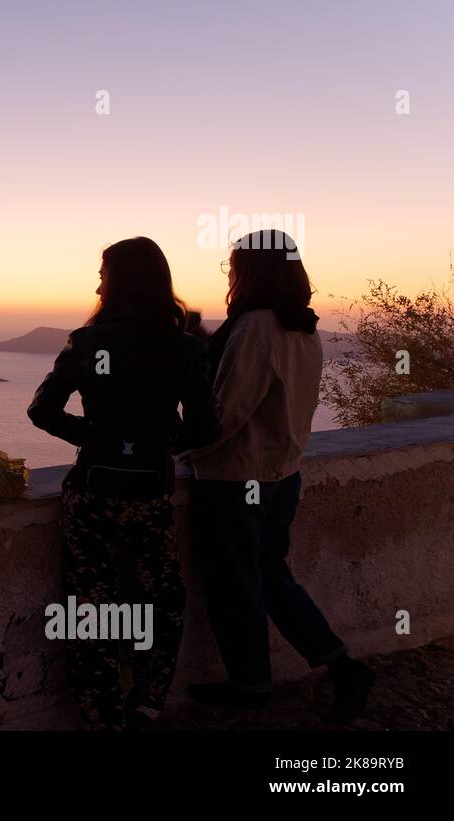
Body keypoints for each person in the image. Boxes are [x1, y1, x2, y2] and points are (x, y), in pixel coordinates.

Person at [29, 237, 219, 730]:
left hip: (92, 489)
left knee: (90, 608)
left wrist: (94, 436)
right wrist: (161, 440)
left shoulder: (87, 343)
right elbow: (205, 429)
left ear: (117, 282)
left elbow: (42, 410)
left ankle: (102, 717)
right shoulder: (184, 348)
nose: (97, 283)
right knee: (164, 600)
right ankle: (148, 700)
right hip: (150, 494)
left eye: (102, 273)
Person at [185, 229, 373, 722]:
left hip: (236, 479)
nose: (229, 274)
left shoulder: (256, 328)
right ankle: (340, 666)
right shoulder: (302, 326)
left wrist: (178, 448)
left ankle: (252, 684)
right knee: (270, 579)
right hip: (281, 475)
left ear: (250, 270)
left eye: (234, 265)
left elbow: (226, 413)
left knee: (236, 585)